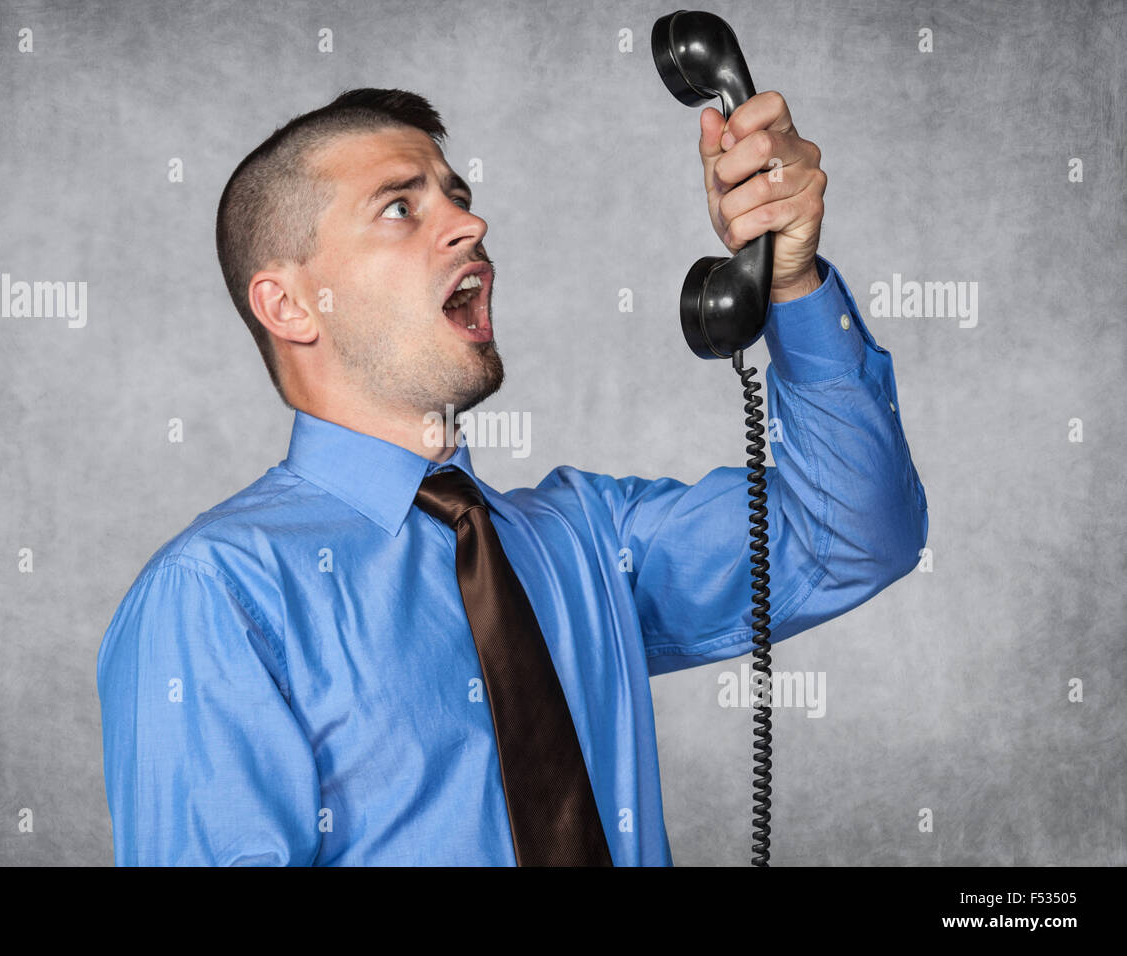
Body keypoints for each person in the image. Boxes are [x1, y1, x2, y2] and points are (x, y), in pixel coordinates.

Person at [96, 87, 927, 866]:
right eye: (400, 206)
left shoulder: (589, 540)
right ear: (289, 306)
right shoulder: (216, 594)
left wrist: (790, 283)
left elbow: (856, 534)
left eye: (456, 196)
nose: (469, 222)